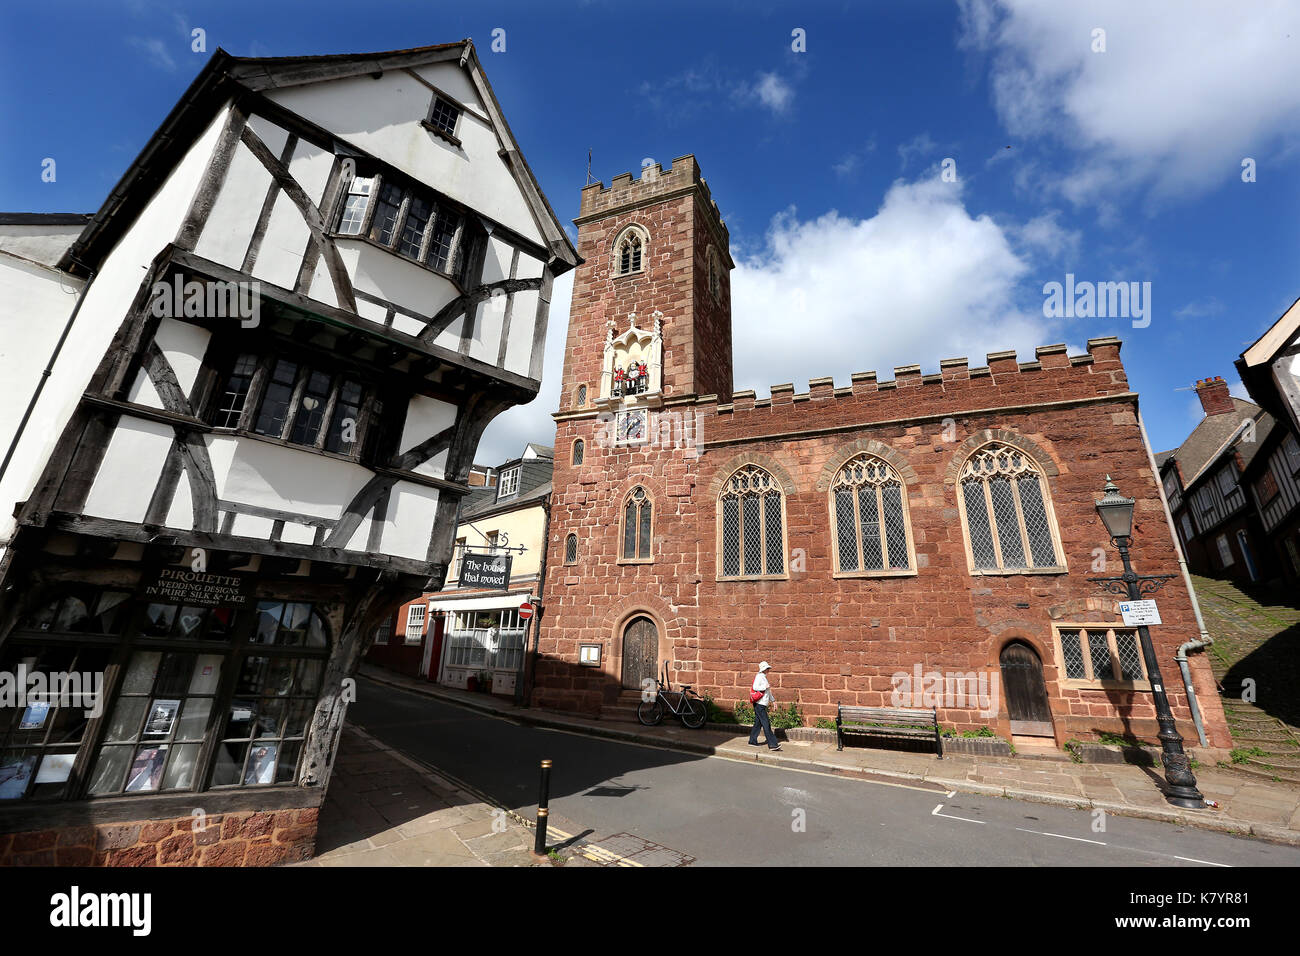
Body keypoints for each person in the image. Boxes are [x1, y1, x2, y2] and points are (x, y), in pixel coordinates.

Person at [748, 661, 781, 751]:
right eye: (767, 668)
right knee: (766, 724)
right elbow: (755, 687)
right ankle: (773, 745)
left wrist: (773, 701)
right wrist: (764, 687)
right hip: (759, 704)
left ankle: (752, 741)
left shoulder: (763, 677)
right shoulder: (759, 676)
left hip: (761, 704)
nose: (769, 670)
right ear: (764, 669)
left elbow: (768, 692)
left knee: (758, 723)